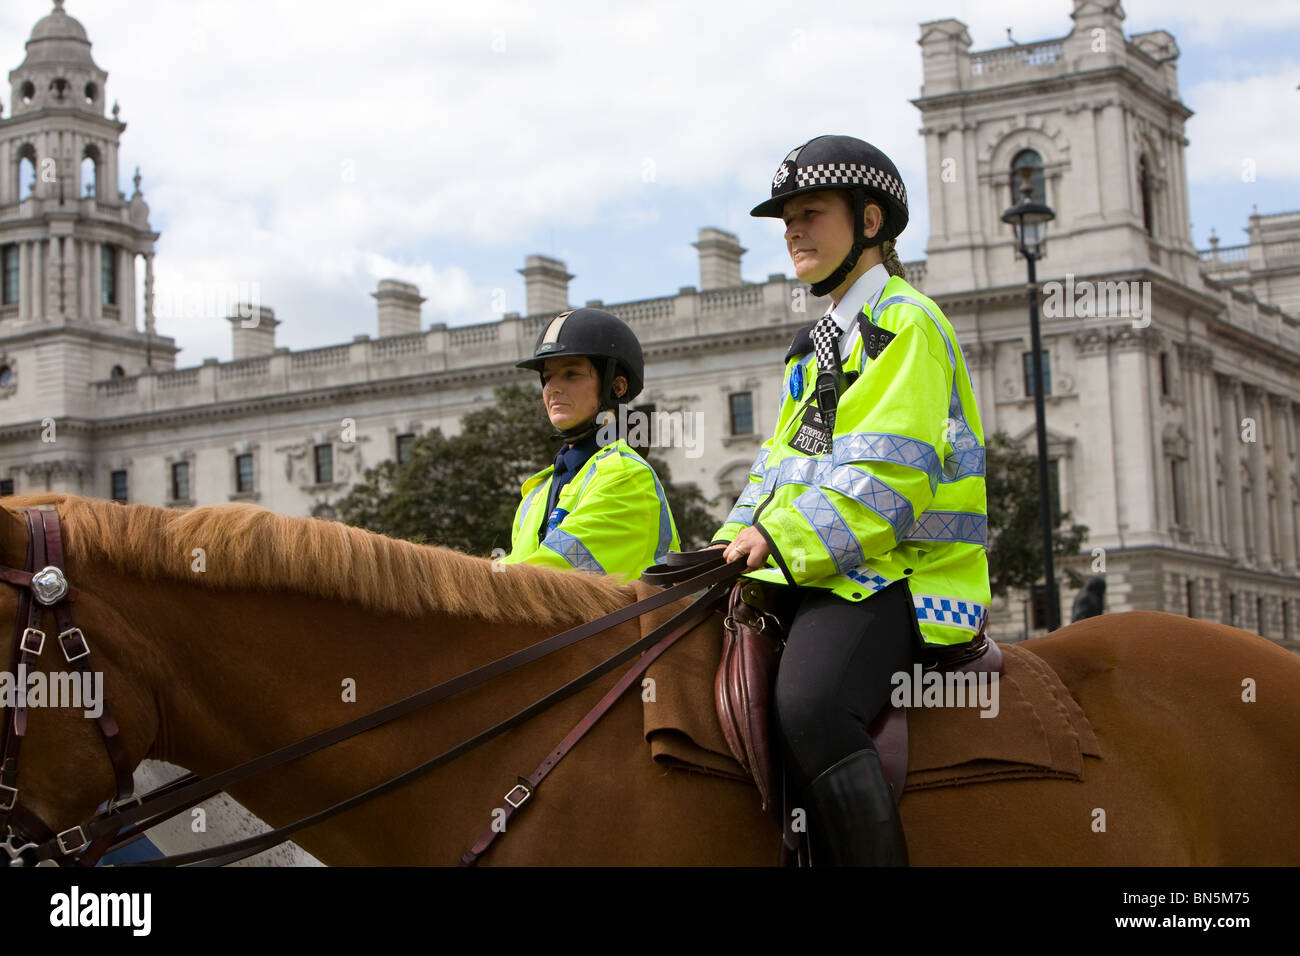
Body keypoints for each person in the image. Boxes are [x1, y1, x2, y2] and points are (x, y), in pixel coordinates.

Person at [710, 135, 992, 865]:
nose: (793, 231)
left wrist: (780, 542)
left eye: (811, 213)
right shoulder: (817, 348)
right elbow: (777, 473)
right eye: (785, 220)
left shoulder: (909, 322)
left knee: (810, 704)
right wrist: (726, 543)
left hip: (904, 572)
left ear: (870, 222)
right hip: (822, 567)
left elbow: (889, 479)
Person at [502, 307, 680, 582]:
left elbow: (542, 584)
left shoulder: (626, 477)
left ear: (617, 387)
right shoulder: (536, 492)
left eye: (571, 374)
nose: (554, 388)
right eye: (548, 377)